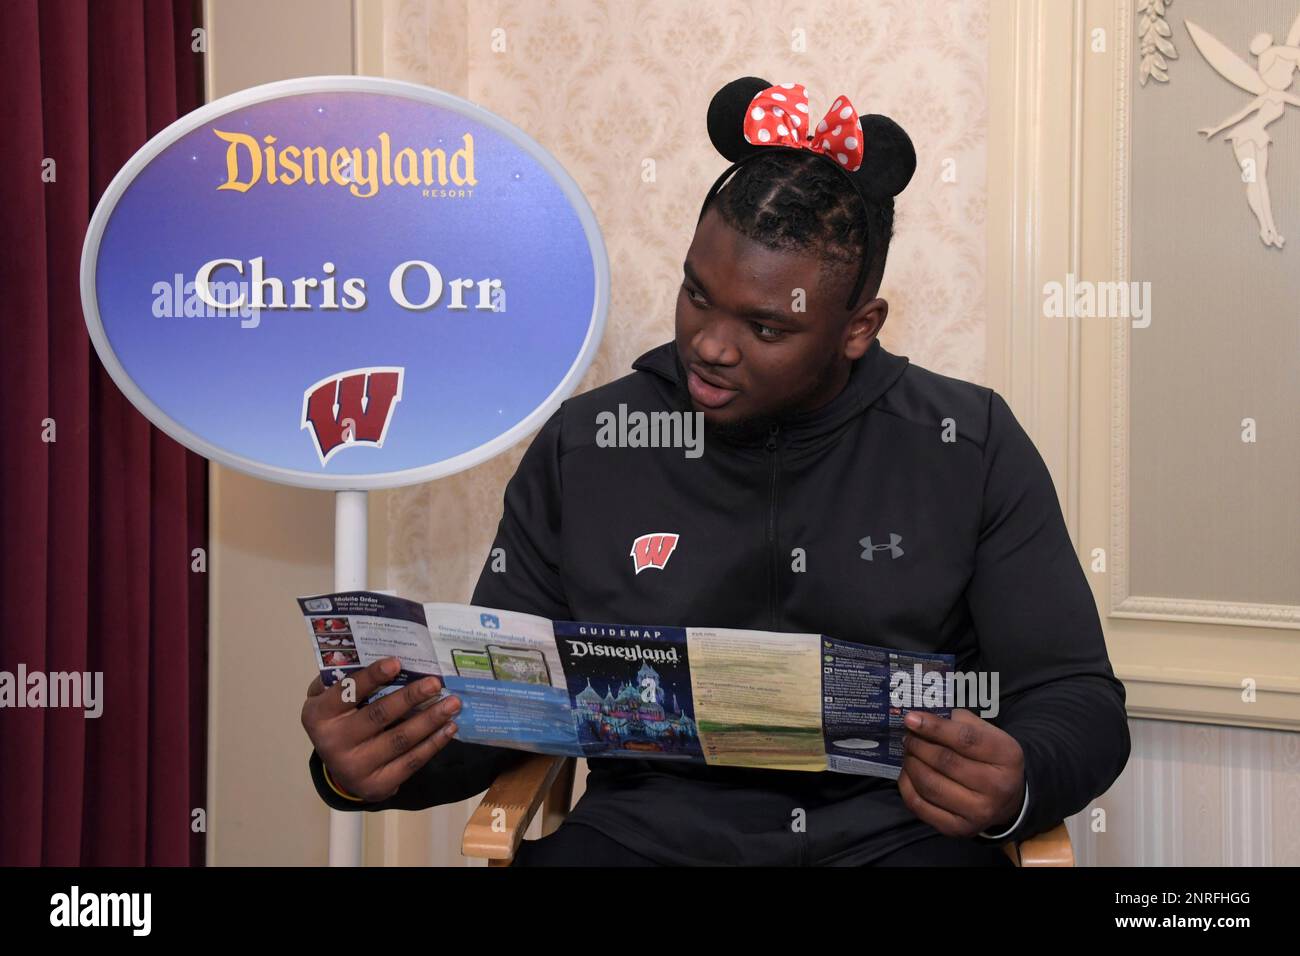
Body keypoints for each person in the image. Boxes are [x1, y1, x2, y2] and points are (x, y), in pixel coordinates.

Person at [299, 77, 1130, 866]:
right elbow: (503, 710)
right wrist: (365, 759)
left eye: (766, 328)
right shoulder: (589, 444)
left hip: (893, 840)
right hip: (643, 840)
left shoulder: (966, 443)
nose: (710, 346)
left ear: (858, 327)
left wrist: (1018, 781)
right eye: (698, 295)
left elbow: (1076, 697)